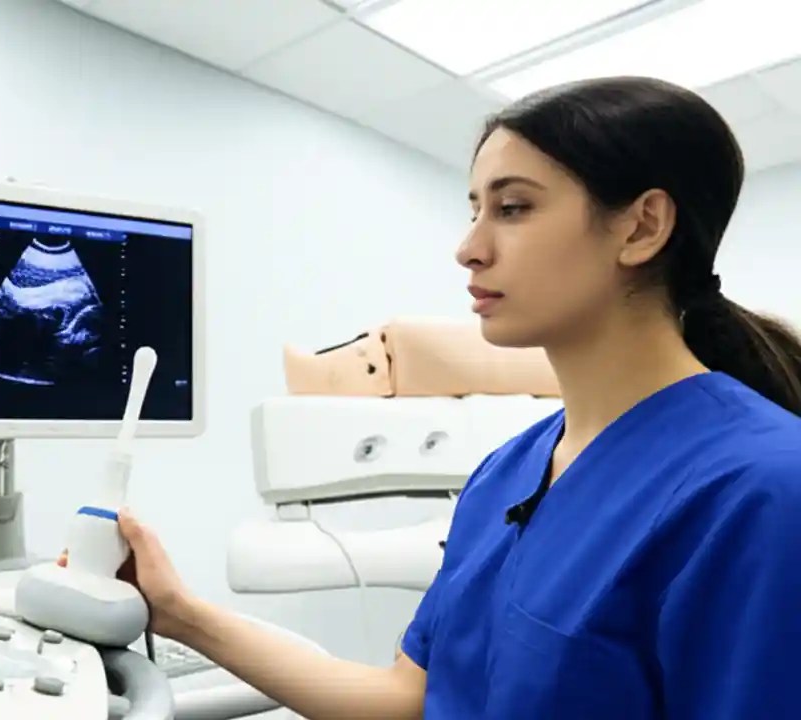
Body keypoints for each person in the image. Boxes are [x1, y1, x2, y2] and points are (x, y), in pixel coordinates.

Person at [60, 75, 801, 719]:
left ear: (642, 226)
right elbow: (407, 700)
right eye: (473, 208)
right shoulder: (505, 475)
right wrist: (180, 614)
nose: (468, 246)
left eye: (512, 208)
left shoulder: (761, 490)